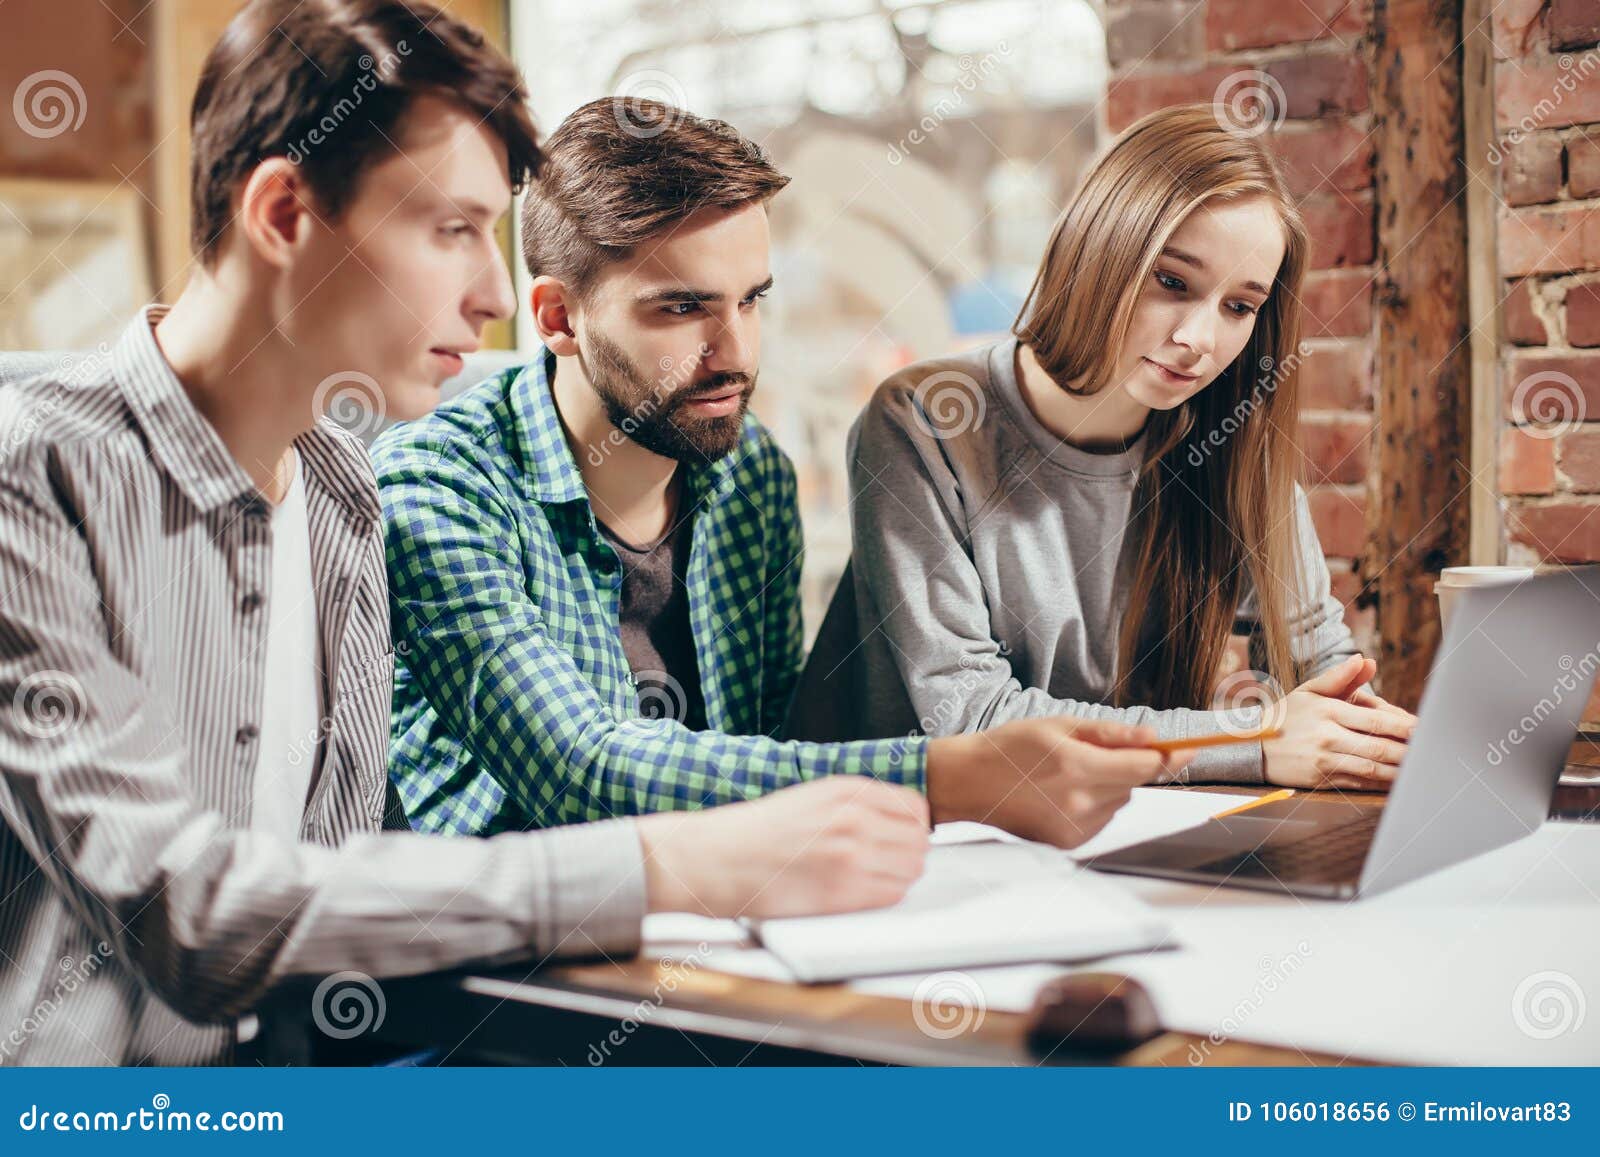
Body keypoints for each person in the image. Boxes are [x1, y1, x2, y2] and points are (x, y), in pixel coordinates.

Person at [0, 0, 933, 1066]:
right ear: (283, 213)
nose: (494, 295)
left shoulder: (342, 492)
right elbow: (193, 912)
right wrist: (670, 860)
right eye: (451, 230)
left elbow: (344, 892)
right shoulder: (29, 474)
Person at [373, 99, 1190, 852]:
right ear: (558, 318)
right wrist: (952, 776)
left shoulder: (746, 471)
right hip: (506, 973)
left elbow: (764, 748)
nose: (736, 354)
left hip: (722, 917)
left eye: (752, 300)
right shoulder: (438, 489)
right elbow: (582, 771)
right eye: (682, 308)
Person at [843, 103, 1416, 790]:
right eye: (1173, 282)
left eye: (1239, 306)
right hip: (908, 840)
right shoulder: (920, 422)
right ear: (1100, 251)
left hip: (1107, 825)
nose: (1199, 340)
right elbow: (973, 717)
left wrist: (1393, 746)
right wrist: (1255, 741)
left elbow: (1319, 663)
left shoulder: (1233, 443)